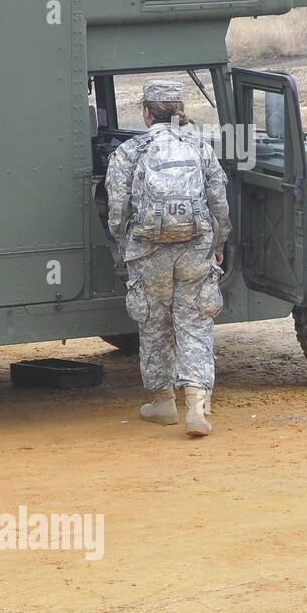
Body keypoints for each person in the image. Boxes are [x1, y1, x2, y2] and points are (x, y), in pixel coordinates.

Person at [105, 80, 231, 437]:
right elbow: (219, 202)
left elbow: (117, 209)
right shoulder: (200, 147)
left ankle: (162, 402)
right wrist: (218, 241)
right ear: (180, 111)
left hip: (148, 249)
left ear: (147, 112)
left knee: (154, 321)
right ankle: (196, 407)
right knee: (194, 320)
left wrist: (124, 243)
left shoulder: (130, 151)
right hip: (195, 246)